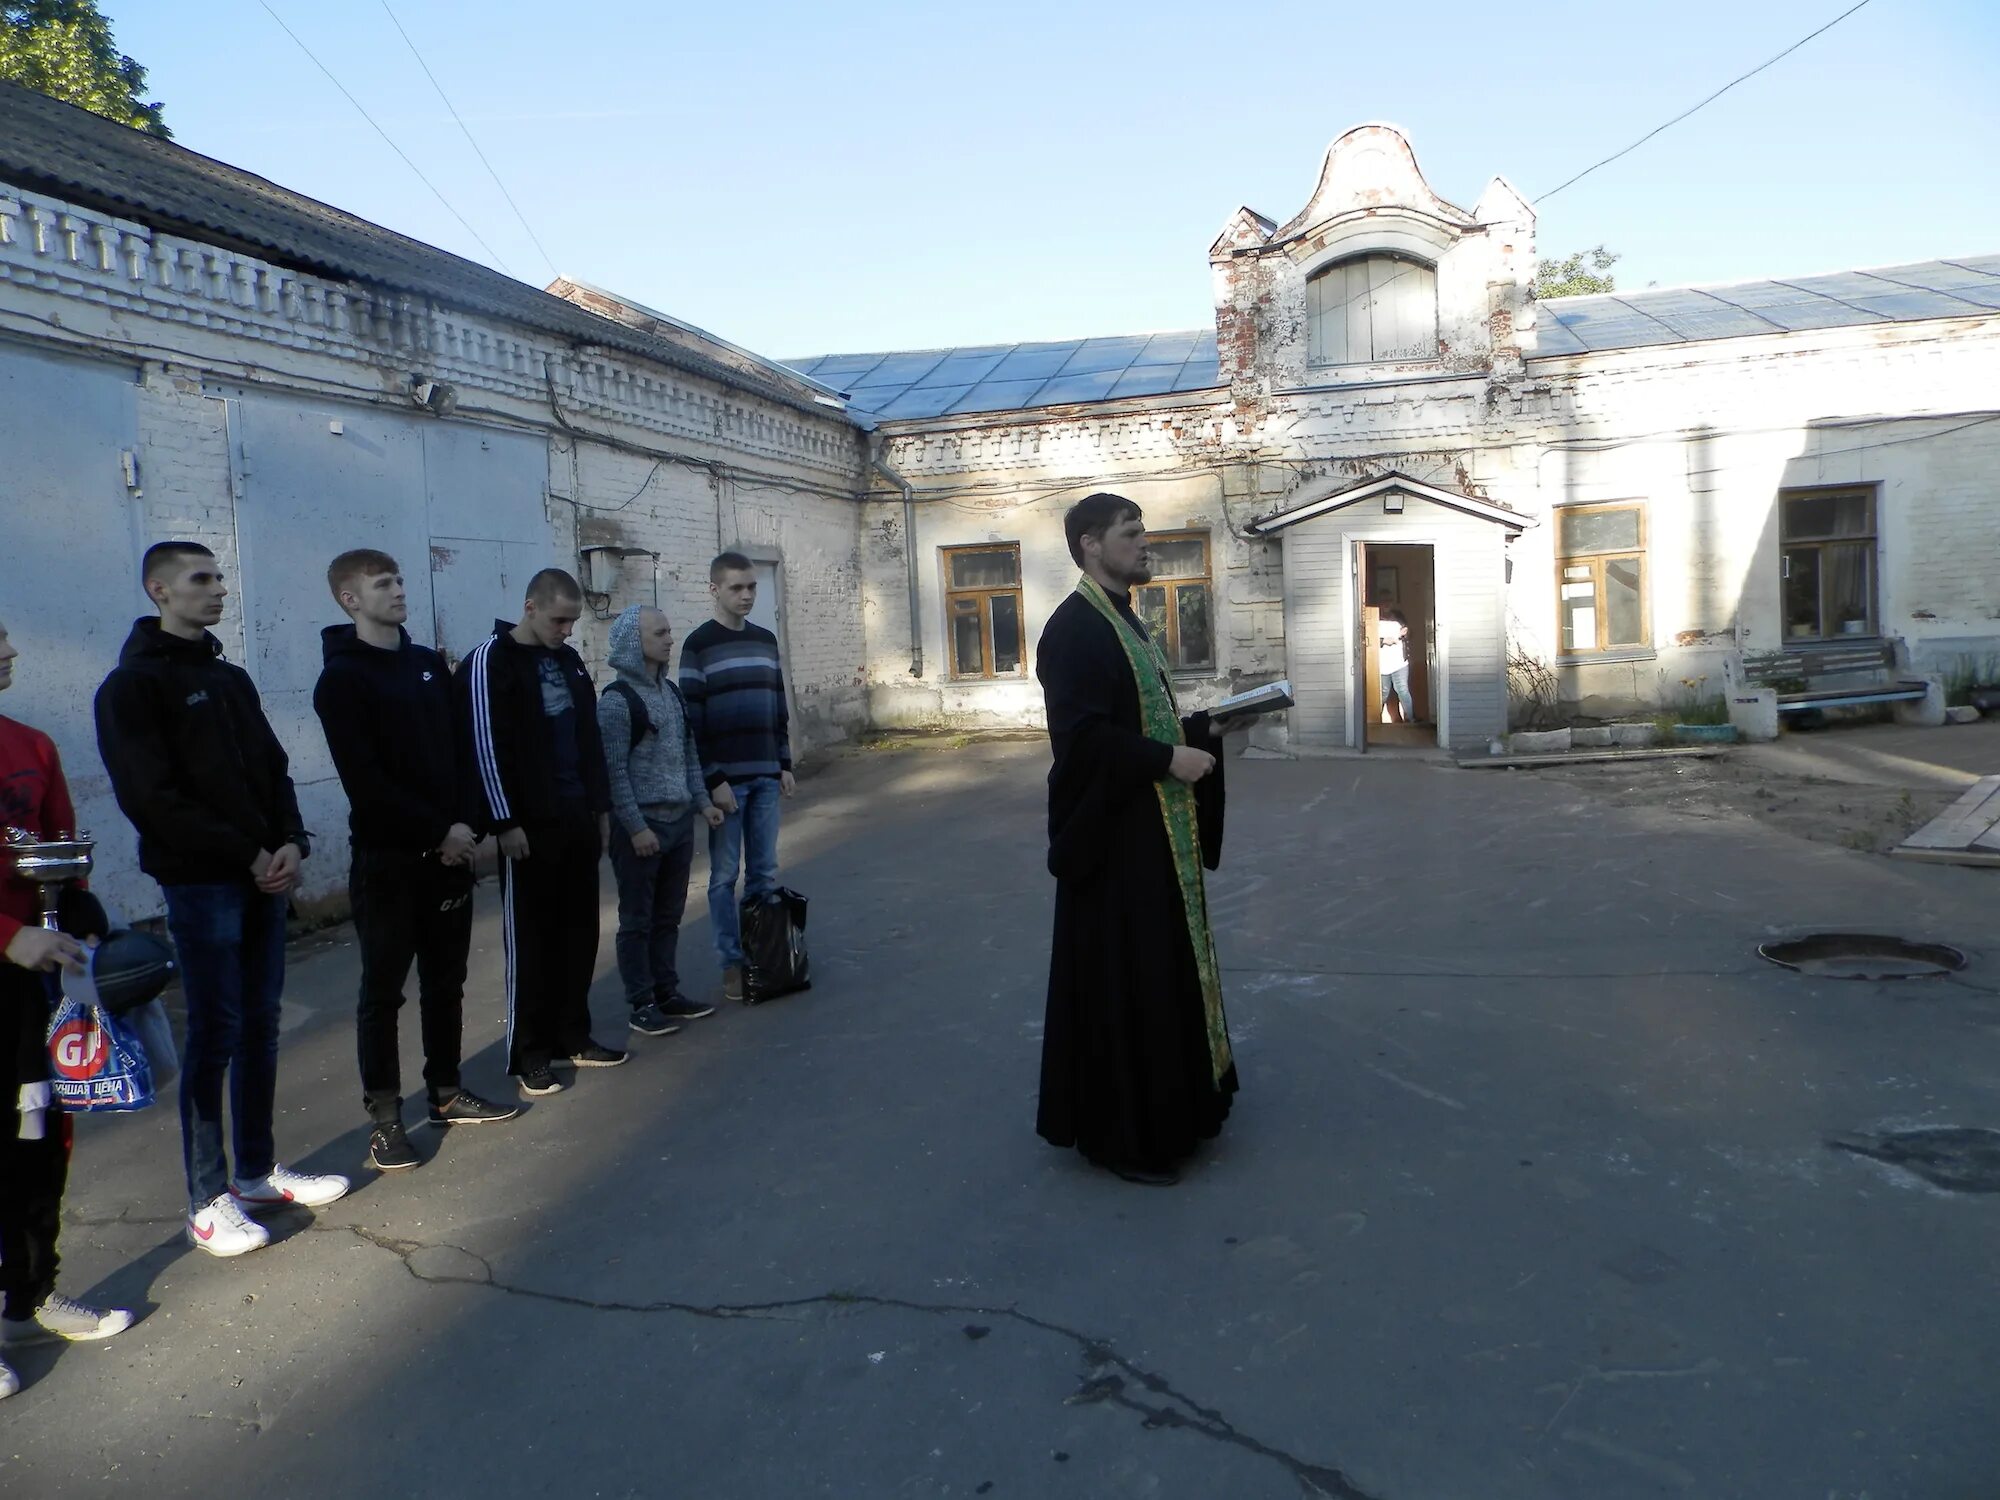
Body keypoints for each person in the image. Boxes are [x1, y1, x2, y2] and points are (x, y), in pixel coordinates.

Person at [94, 542, 348, 1259]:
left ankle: (258, 1173)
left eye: (219, 579)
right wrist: (247, 852)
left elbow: (273, 768)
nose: (217, 591)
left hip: (265, 875)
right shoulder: (132, 687)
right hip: (203, 883)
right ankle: (208, 1202)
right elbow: (152, 799)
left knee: (260, 1026)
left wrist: (292, 840)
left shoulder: (230, 678)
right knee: (216, 1032)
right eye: (200, 580)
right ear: (159, 590)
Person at [1034, 494, 1236, 1186]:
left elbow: (1142, 717)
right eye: (1132, 532)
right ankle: (1126, 1138)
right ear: (1091, 544)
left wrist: (1207, 730)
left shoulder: (1126, 620)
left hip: (1151, 829)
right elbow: (1083, 741)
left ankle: (1176, 1112)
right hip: (1114, 840)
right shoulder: (1075, 631)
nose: (1146, 542)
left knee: (1159, 973)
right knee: (1129, 983)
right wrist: (1165, 760)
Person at [313, 551, 518, 1174]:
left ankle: (447, 1091)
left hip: (450, 854)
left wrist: (467, 826)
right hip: (389, 862)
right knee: (382, 994)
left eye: (400, 580)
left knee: (445, 982)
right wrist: (438, 832)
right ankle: (384, 1118)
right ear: (350, 599)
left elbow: (461, 754)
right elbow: (366, 782)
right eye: (384, 584)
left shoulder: (429, 665)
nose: (400, 591)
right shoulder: (342, 681)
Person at [0, 618, 132, 1398]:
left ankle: (35, 1292)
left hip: (37, 980)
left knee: (42, 1137)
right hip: (9, 955)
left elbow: (58, 849)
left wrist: (79, 917)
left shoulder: (35, 744)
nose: (12, 651)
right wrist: (6, 934)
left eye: (11, 638)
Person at [455, 569, 623, 1098]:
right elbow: (483, 746)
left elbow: (587, 737)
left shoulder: (569, 662)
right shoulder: (491, 661)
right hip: (526, 827)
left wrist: (600, 808)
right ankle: (531, 1051)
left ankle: (574, 1036)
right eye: (558, 619)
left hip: (575, 817)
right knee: (531, 940)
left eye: (573, 621)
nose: (567, 629)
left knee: (579, 933)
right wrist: (503, 821)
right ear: (530, 607)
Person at [598, 605, 724, 1038]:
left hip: (678, 824)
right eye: (660, 632)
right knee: (637, 920)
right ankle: (642, 1002)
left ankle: (667, 992)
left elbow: (688, 753)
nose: (670, 638)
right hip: (643, 829)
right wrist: (635, 828)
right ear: (635, 642)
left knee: (668, 916)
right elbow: (614, 772)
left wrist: (702, 802)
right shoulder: (617, 703)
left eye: (670, 631)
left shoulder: (670, 693)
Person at [680, 553, 795, 1005]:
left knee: (764, 873)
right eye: (736, 588)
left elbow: (777, 706)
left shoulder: (766, 641)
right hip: (727, 783)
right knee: (724, 876)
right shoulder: (698, 645)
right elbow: (693, 722)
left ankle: (765, 956)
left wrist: (783, 763)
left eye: (751, 587)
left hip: (765, 776)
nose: (746, 595)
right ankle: (731, 962)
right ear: (715, 590)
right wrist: (713, 779)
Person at [1378, 607, 1413, 725]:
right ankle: (1375, 719)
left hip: (1400, 662)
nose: (1387, 605)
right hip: (1382, 663)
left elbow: (1408, 634)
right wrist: (1382, 641)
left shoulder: (1398, 616)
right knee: (1383, 692)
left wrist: (1406, 633)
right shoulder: (1374, 619)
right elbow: (1368, 638)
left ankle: (1410, 719)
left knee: (1402, 689)